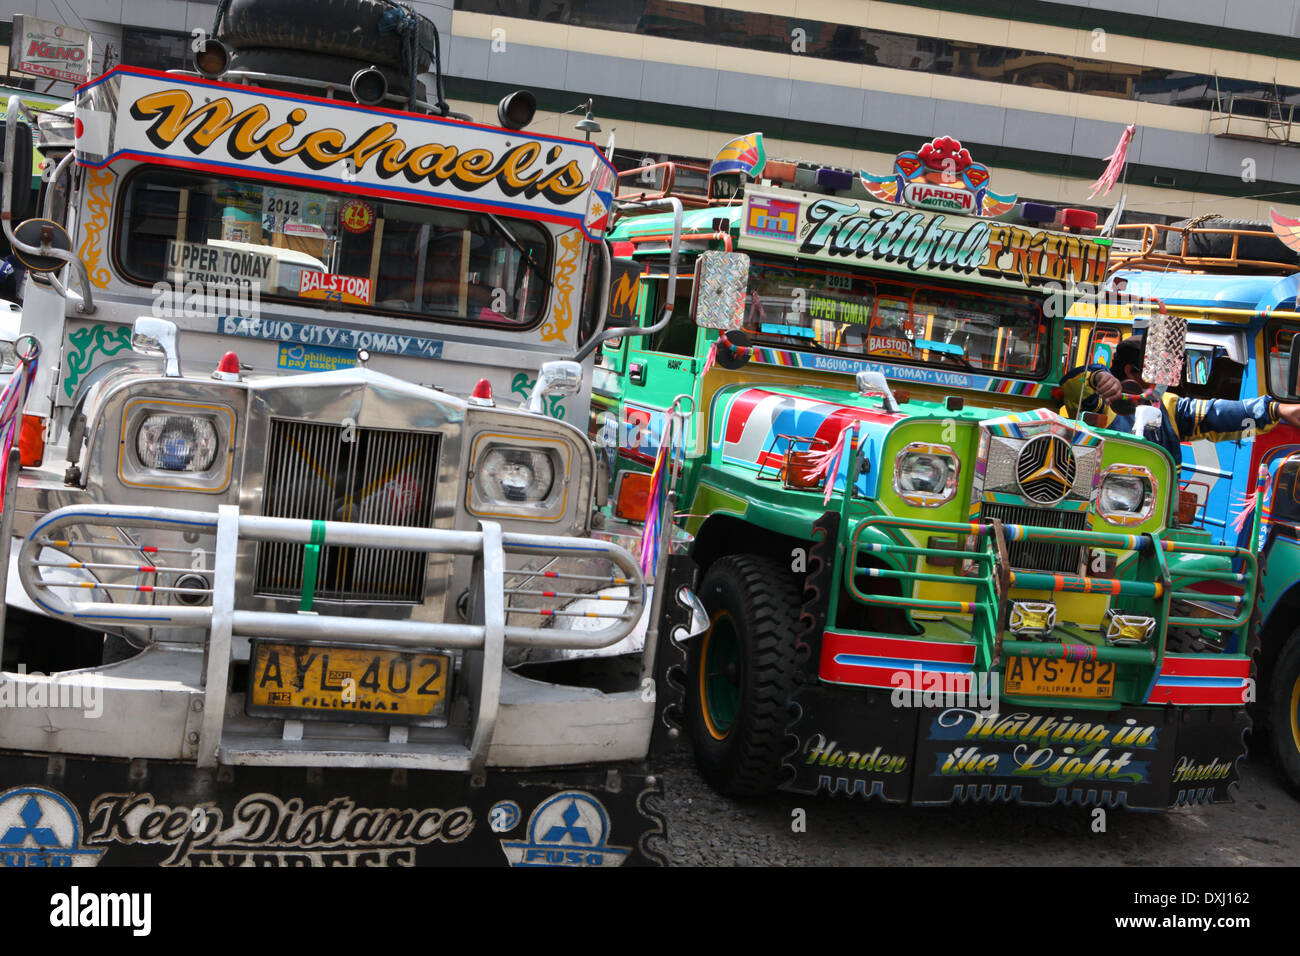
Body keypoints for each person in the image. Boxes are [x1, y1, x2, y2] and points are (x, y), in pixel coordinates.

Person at [1060, 334, 1300, 471]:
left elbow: (1214, 414)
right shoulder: (1097, 403)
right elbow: (1070, 384)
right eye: (1157, 373)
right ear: (1131, 372)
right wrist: (1098, 375)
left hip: (1156, 519)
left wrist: (1277, 409)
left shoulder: (1166, 405)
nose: (1166, 381)